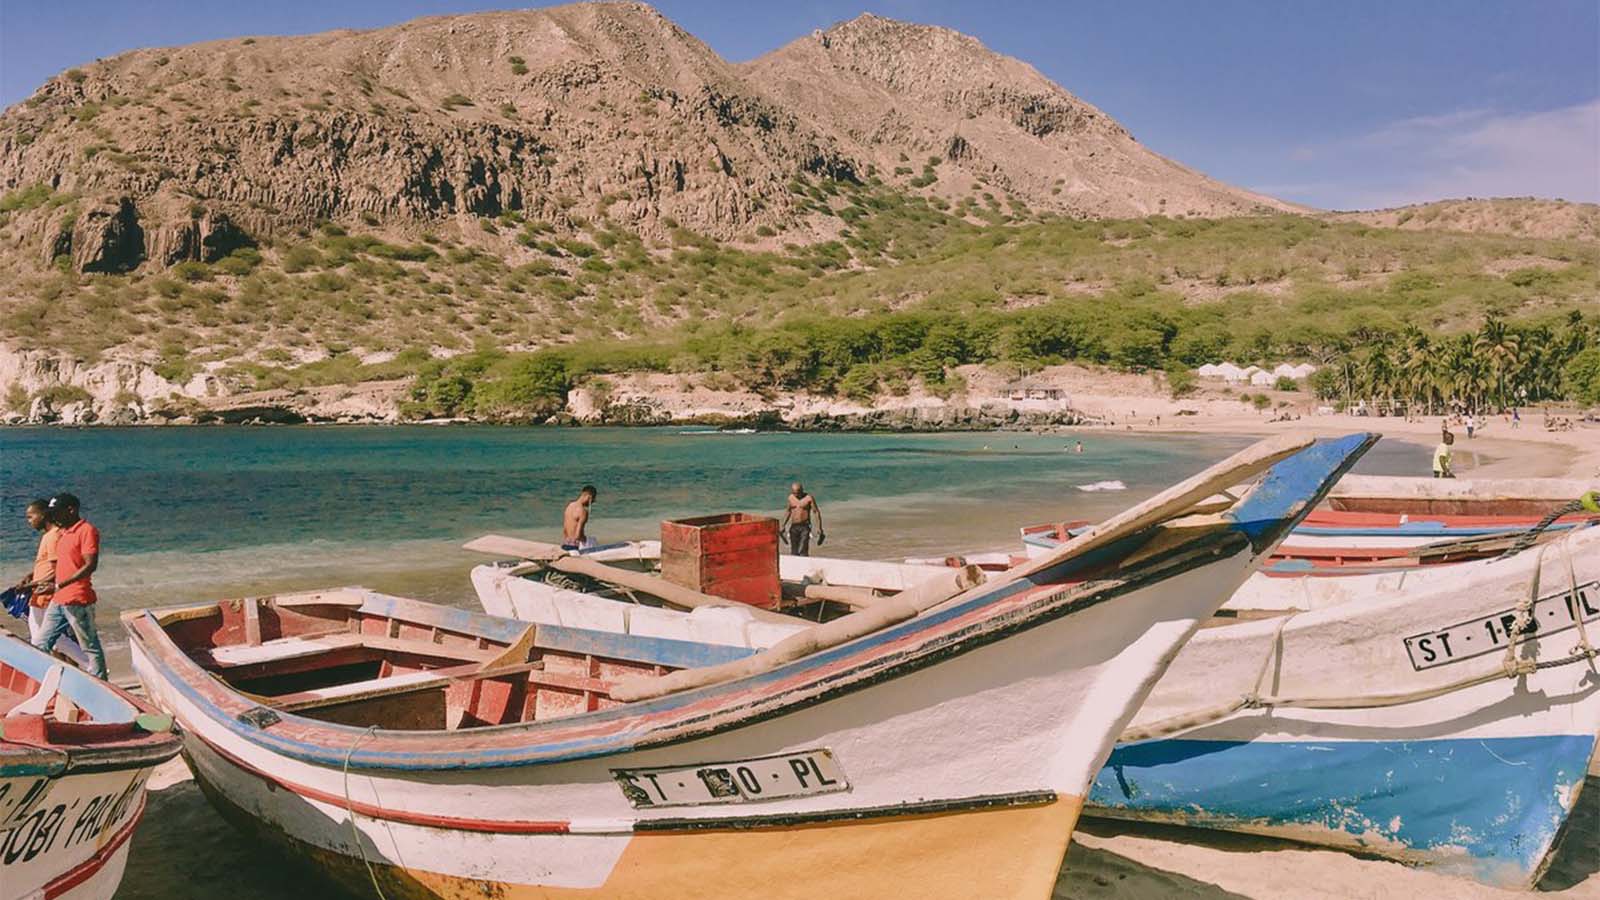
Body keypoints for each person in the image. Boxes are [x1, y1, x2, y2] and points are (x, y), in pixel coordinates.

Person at [33, 493, 106, 679]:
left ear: (71, 510)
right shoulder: (64, 533)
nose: (53, 517)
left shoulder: (87, 530)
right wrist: (48, 583)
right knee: (40, 643)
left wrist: (58, 585)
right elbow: (62, 565)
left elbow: (90, 565)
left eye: (56, 512)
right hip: (59, 599)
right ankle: (49, 681)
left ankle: (102, 685)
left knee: (90, 647)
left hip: (78, 599)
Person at [15, 499, 90, 668]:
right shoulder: (49, 536)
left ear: (43, 515)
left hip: (46, 593)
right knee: (46, 638)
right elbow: (47, 564)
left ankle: (88, 665)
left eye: (31, 516)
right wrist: (31, 576)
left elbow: (61, 568)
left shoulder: (54, 536)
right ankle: (85, 666)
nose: (29, 521)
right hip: (39, 592)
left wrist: (33, 585)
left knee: (44, 638)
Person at [780, 482, 823, 556]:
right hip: (794, 526)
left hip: (805, 526)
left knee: (803, 549)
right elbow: (788, 511)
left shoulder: (809, 498)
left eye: (797, 493)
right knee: (794, 551)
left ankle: (805, 564)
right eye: (794, 493)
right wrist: (783, 525)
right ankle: (796, 566)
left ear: (802, 490)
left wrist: (819, 527)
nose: (796, 495)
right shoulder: (791, 497)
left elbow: (816, 512)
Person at [561, 485, 597, 551]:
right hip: (574, 547)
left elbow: (565, 530)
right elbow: (578, 535)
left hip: (565, 544)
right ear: (589, 497)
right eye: (593, 500)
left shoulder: (569, 506)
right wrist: (587, 540)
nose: (592, 503)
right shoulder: (583, 511)